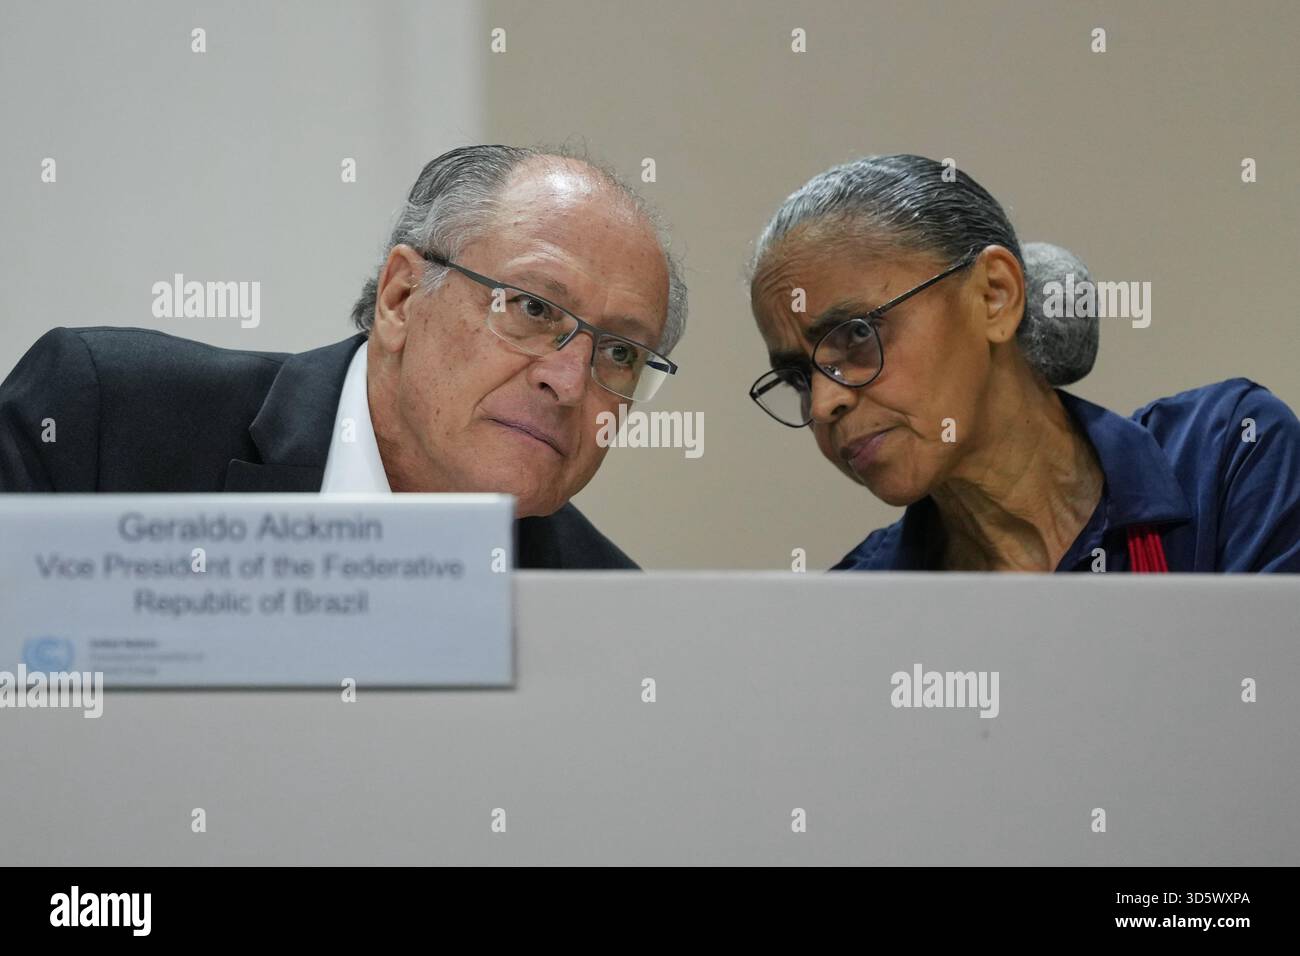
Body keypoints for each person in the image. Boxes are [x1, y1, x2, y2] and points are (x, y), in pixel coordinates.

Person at [0, 145, 687, 569]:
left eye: (620, 353)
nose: (568, 381)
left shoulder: (608, 612)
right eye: (534, 309)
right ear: (401, 295)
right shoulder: (103, 420)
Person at [746, 154, 1300, 572]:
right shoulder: (861, 607)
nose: (824, 403)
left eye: (857, 335)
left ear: (995, 295)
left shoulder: (1225, 459)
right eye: (800, 377)